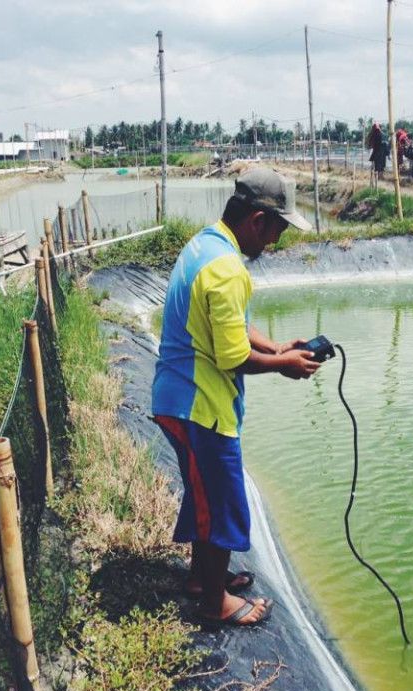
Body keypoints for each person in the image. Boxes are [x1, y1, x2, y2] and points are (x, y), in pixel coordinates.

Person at [152, 168, 320, 626]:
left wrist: (277, 346)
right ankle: (214, 605)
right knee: (223, 501)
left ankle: (201, 579)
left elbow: (232, 327)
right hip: (199, 405)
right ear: (257, 220)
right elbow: (231, 357)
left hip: (177, 397)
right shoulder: (228, 270)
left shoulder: (207, 245)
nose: (275, 242)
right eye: (278, 230)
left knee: (203, 492)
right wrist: (283, 366)